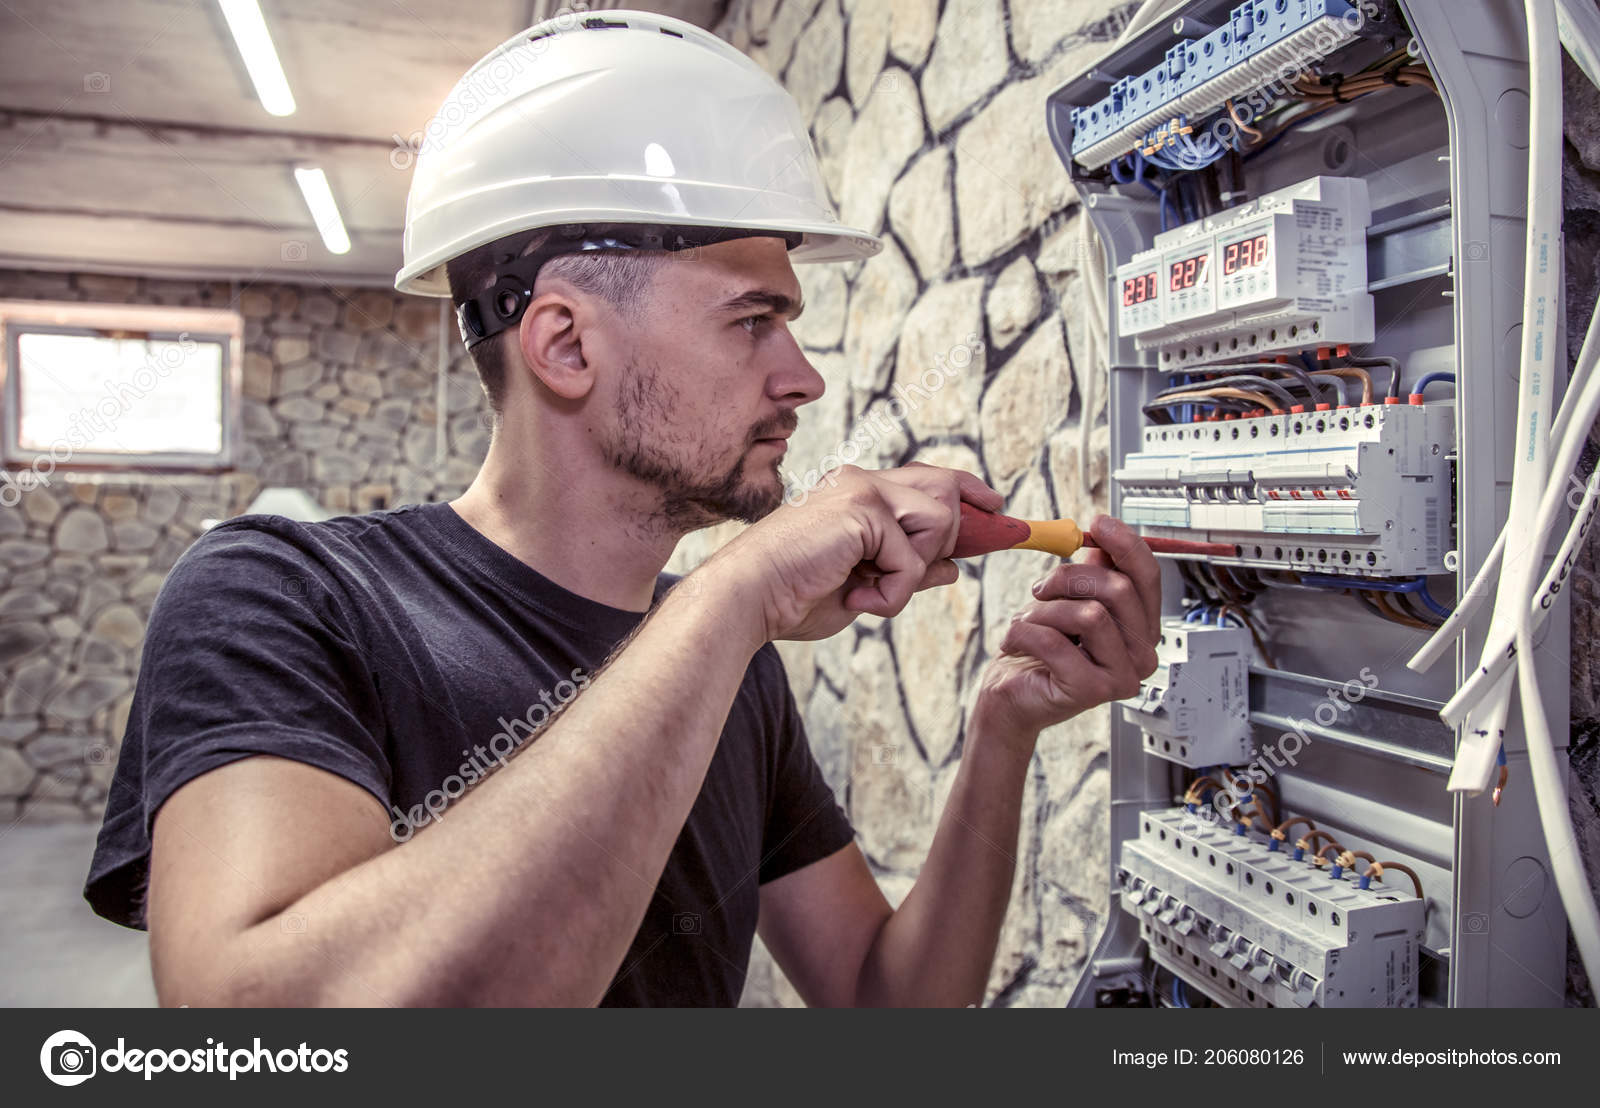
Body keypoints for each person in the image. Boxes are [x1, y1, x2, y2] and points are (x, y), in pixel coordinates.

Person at [85, 11, 1160, 1006]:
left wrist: (1002, 730)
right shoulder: (282, 596)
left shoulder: (726, 667)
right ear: (563, 344)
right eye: (752, 320)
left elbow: (887, 1008)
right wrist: (739, 592)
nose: (803, 379)